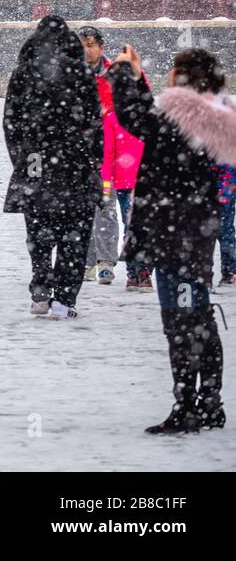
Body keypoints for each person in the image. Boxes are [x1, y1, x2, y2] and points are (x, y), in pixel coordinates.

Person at [111, 45, 231, 434]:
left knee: (179, 322)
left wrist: (125, 75)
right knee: (198, 314)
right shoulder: (216, 115)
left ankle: (187, 406)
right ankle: (210, 401)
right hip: (198, 227)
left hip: (171, 229)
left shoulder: (180, 115)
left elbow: (136, 118)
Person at [3, 16, 103, 318]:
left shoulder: (22, 73)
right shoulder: (80, 73)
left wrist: (22, 159)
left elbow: (11, 123)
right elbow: (94, 122)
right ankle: (65, 297)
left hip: (36, 165)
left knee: (40, 233)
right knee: (75, 235)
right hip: (75, 165)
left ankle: (41, 287)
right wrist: (91, 158)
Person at [78, 25, 150, 290]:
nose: (87, 50)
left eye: (91, 45)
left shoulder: (113, 74)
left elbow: (142, 103)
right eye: (83, 45)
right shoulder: (73, 77)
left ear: (101, 47)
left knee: (120, 210)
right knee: (88, 209)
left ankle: (121, 265)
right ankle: (91, 261)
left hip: (120, 153)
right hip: (88, 152)